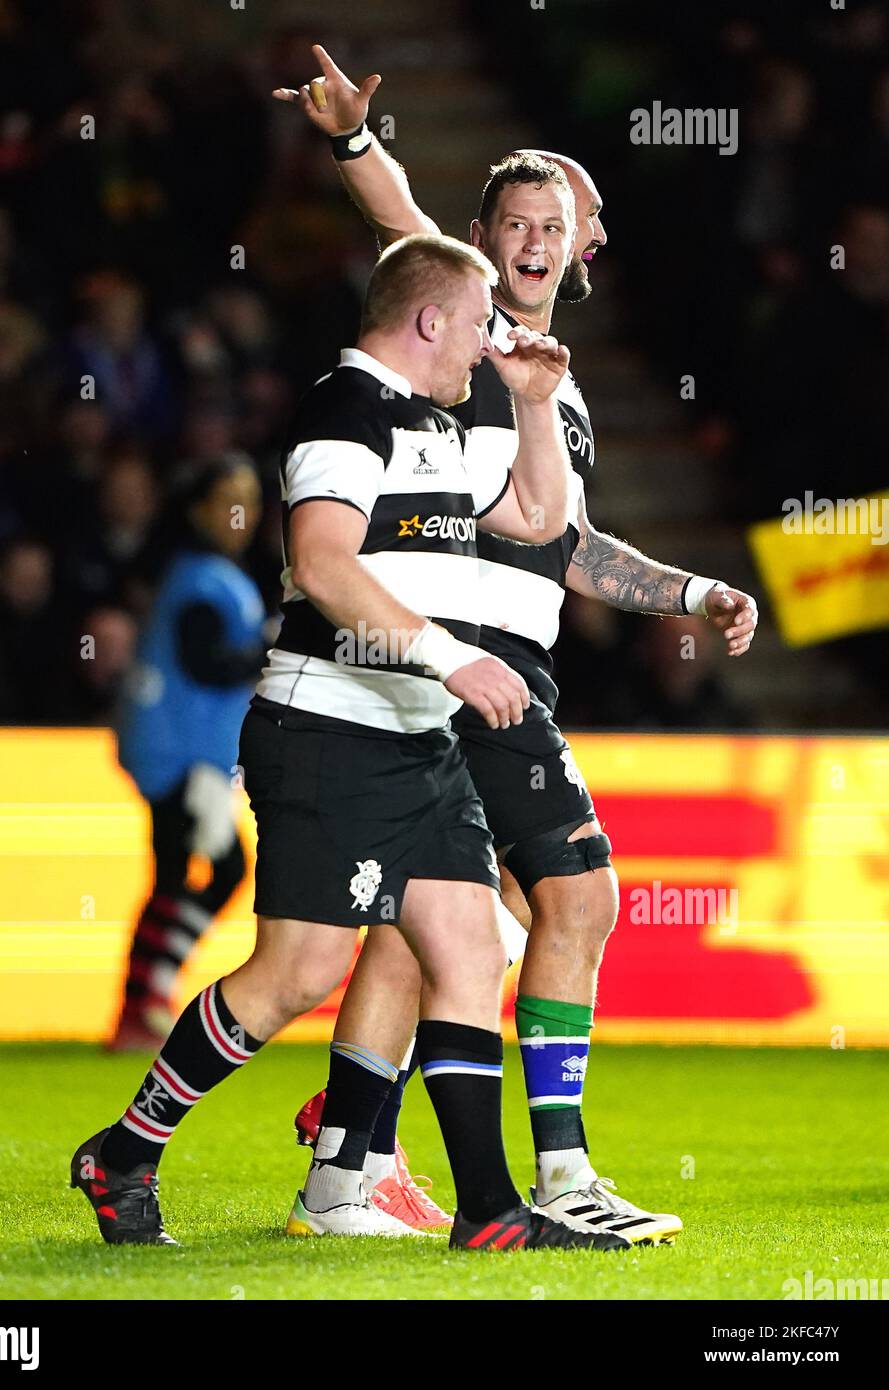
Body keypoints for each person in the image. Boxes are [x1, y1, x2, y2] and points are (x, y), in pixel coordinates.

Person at [276, 45, 759, 1243]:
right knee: (576, 902)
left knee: (453, 924)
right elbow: (399, 214)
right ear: (486, 242)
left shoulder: (557, 386)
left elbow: (570, 545)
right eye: (512, 220)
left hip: (503, 663)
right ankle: (552, 1173)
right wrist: (350, 142)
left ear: (588, 246)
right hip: (460, 662)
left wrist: (694, 591)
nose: (533, 238)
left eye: (557, 222)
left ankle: (349, 1146)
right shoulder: (476, 333)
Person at [70, 231, 630, 1253]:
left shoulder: (439, 422)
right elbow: (321, 563)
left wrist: (538, 399)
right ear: (425, 319)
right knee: (293, 972)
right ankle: (124, 1152)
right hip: (327, 726)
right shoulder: (346, 409)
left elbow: (543, 517)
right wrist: (447, 657)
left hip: (416, 740)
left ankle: (490, 1214)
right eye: (473, 323)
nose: (484, 343)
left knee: (464, 954)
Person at [111, 455, 267, 1050]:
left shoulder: (200, 573)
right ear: (199, 508)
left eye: (250, 500)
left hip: (181, 751)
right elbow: (206, 664)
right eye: (230, 499)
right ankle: (144, 998)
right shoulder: (206, 580)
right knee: (206, 871)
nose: (242, 515)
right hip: (180, 752)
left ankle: (147, 995)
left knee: (183, 873)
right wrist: (271, 646)